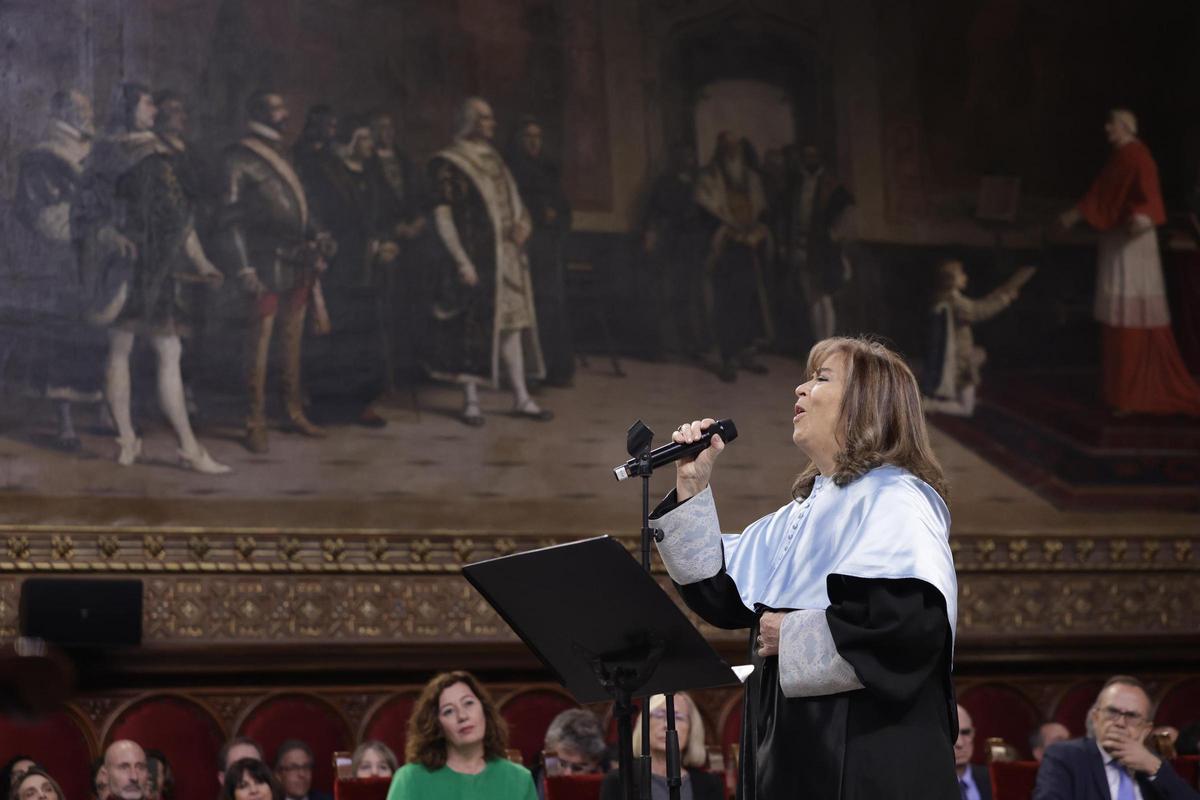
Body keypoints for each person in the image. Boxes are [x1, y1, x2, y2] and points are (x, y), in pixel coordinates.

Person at [649, 336, 960, 798]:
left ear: (866, 403)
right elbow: (719, 593)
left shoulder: (897, 500)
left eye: (820, 378)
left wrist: (789, 634)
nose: (799, 389)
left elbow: (906, 633)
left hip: (865, 759)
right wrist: (693, 484)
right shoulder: (801, 511)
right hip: (795, 755)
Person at [79, 82, 228, 473]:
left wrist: (200, 262)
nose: (154, 111)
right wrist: (112, 234)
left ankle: (144, 441)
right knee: (149, 352)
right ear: (130, 108)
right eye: (147, 104)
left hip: (140, 266)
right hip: (139, 267)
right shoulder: (143, 156)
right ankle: (171, 446)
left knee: (137, 351)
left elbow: (174, 217)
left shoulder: (116, 153)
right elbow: (175, 217)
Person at [1058, 109, 1200, 416]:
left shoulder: (1138, 155)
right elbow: (1101, 196)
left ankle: (1131, 394)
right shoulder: (1121, 156)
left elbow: (1149, 197)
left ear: (1125, 126)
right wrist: (1077, 214)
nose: (1107, 127)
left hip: (1134, 241)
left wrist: (1139, 217)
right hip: (1117, 238)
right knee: (1117, 314)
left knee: (1130, 315)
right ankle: (1118, 392)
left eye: (1112, 123)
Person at [214, 89, 333, 453]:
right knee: (259, 346)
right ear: (259, 113)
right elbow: (229, 219)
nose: (285, 114)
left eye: (284, 107)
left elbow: (300, 204)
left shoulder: (283, 154)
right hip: (263, 264)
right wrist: (243, 266)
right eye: (277, 109)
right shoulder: (237, 157)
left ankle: (293, 412)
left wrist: (319, 232)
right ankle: (255, 420)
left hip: (297, 262)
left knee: (293, 343)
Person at [426, 97, 551, 426]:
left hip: (507, 259)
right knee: (470, 330)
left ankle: (521, 397)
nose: (491, 124)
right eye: (484, 119)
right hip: (475, 261)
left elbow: (515, 203)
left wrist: (524, 224)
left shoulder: (495, 160)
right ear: (469, 121)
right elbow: (442, 215)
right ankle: (470, 402)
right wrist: (461, 261)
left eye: (491, 118)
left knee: (512, 326)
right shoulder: (448, 162)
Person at [11, 87, 105, 450]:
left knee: (98, 333)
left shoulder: (92, 151)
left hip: (93, 259)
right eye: (83, 107)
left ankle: (103, 411)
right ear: (65, 112)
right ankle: (64, 422)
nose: (90, 113)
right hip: (58, 261)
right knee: (62, 340)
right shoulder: (41, 157)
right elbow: (38, 215)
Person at [302, 115, 391, 428]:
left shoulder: (373, 173)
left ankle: (363, 403)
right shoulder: (330, 173)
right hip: (340, 262)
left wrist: (384, 241)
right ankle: (327, 405)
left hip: (367, 263)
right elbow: (318, 214)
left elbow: (385, 214)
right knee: (336, 332)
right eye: (364, 139)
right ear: (351, 142)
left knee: (366, 334)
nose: (370, 145)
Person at [1032, 676, 1200, 799]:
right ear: (1096, 718)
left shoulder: (1152, 764)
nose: (1120, 722)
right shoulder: (1066, 756)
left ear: (1146, 729)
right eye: (1112, 712)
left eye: (1132, 716)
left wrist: (1151, 765)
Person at [386, 670, 536, 799]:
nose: (462, 716)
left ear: (484, 710)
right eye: (449, 711)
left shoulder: (519, 779)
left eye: (468, 703)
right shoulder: (410, 779)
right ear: (436, 725)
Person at [694, 132, 772, 382]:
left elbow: (758, 209)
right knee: (726, 302)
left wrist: (754, 231)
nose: (731, 152)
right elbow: (706, 212)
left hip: (749, 245)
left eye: (734, 147)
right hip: (725, 247)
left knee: (749, 300)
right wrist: (726, 229)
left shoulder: (751, 178)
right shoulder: (710, 177)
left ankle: (746, 353)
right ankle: (727, 358)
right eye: (726, 147)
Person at [507, 116, 574, 387]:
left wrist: (554, 217)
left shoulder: (549, 170)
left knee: (551, 306)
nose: (534, 142)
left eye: (538, 137)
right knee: (531, 309)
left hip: (549, 247)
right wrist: (537, 215)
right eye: (528, 137)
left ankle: (556, 370)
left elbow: (564, 210)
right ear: (520, 140)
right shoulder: (512, 172)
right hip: (524, 248)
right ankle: (531, 374)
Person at [922, 259, 1035, 416]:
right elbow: (979, 311)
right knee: (967, 409)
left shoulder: (946, 298)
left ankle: (953, 400)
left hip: (958, 355)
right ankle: (929, 405)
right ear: (950, 280)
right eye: (960, 275)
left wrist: (1002, 294)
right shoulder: (954, 302)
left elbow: (980, 306)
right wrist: (1004, 299)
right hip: (958, 359)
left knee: (980, 355)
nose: (965, 277)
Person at [772, 144, 855, 350]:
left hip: (824, 250)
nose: (810, 159)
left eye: (813, 155)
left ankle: (827, 344)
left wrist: (836, 235)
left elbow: (849, 210)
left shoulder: (831, 184)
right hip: (801, 247)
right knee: (811, 298)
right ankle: (819, 344)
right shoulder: (795, 184)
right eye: (806, 155)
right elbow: (784, 215)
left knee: (824, 297)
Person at [640, 142, 705, 361]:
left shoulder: (699, 184)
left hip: (690, 248)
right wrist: (651, 235)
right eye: (684, 157)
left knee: (688, 296)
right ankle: (661, 347)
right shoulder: (665, 183)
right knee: (665, 295)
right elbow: (653, 212)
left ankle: (691, 345)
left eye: (690, 157)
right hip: (669, 246)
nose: (688, 161)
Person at [598, 693, 723, 800]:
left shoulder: (710, 784)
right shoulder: (619, 780)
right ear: (644, 724)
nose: (667, 724)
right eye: (659, 715)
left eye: (678, 717)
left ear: (691, 730)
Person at [532, 708, 608, 799]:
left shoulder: (608, 785)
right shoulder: (526, 782)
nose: (567, 774)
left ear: (596, 767)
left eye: (578, 768)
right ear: (546, 755)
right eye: (561, 763)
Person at [955, 704, 993, 800]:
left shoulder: (993, 778)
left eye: (965, 732)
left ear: (973, 733)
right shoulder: (924, 786)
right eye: (952, 735)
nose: (960, 743)